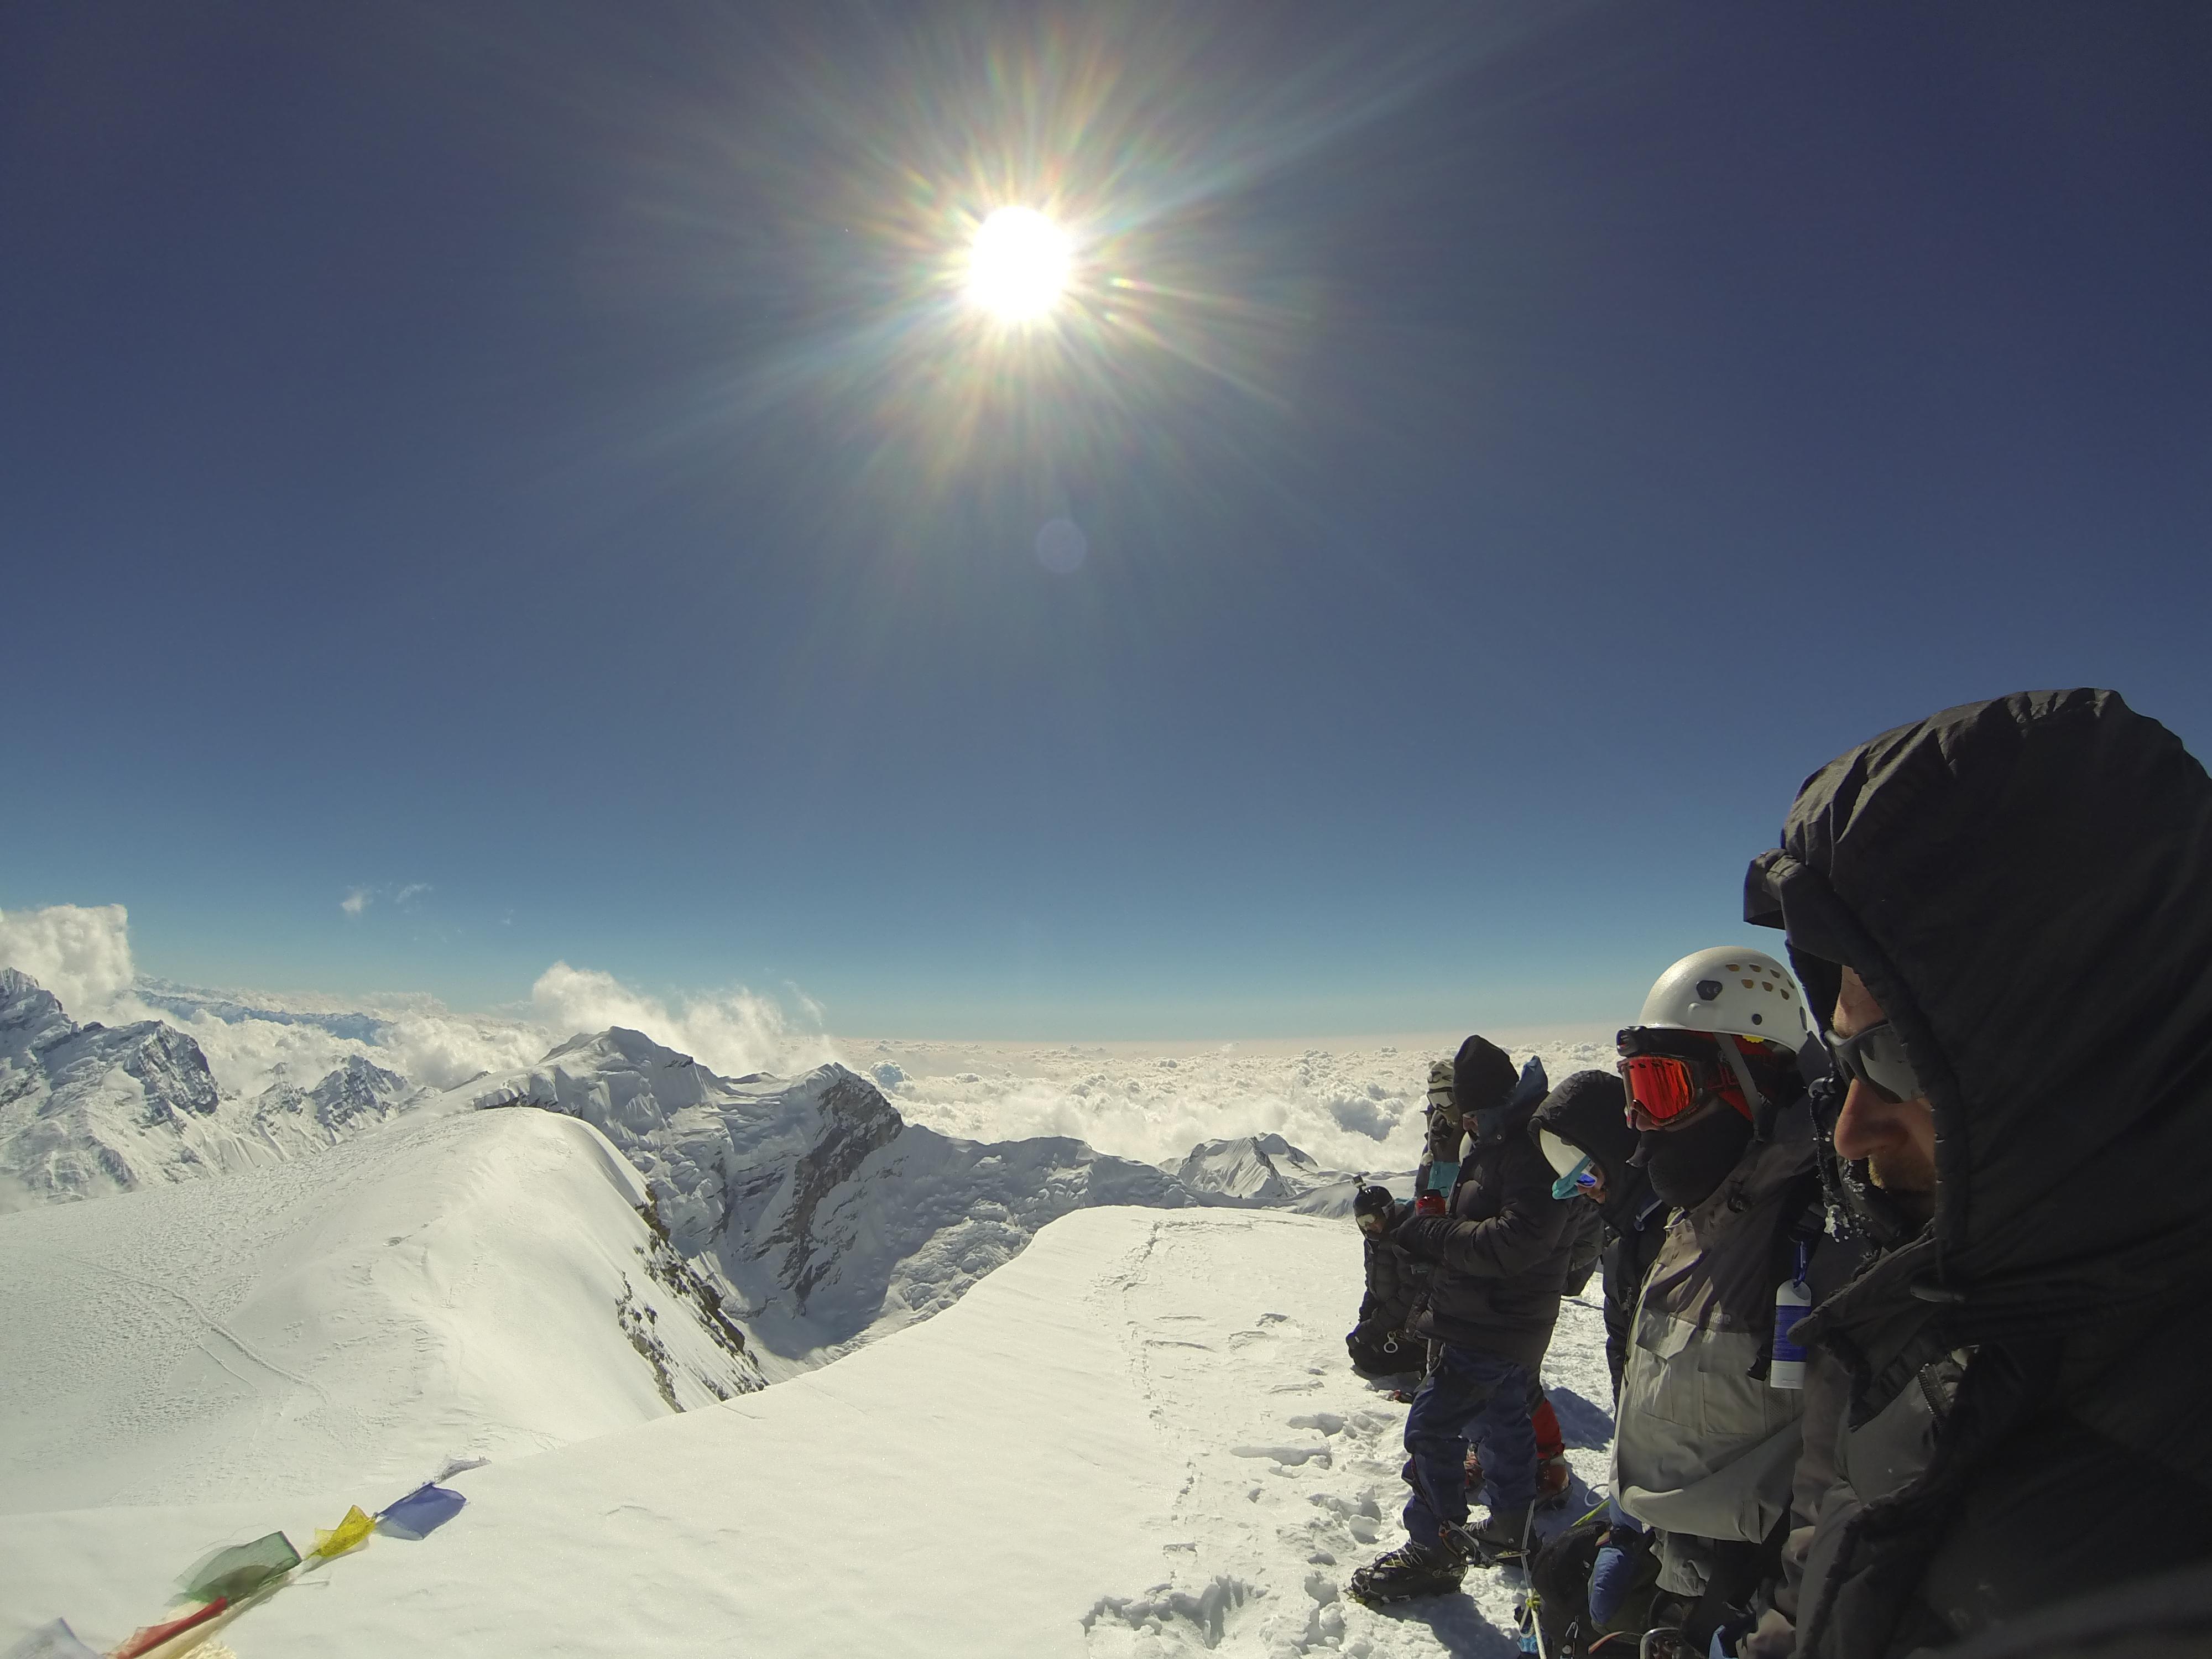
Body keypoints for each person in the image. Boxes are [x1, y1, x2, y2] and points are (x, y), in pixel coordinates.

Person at [1739, 688, 2212, 1656]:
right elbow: (1825, 1559)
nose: (1851, 1132)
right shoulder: (1927, 1317)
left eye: (1898, 1060)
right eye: (1843, 1063)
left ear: (2094, 1041)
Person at [1597, 946, 1828, 1655]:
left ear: (1753, 1083)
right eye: (1633, 1090)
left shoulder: (1824, 1233)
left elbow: (1856, 1480)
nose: (1639, 1123)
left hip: (1759, 1600)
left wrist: (1769, 1618)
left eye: (1662, 1090)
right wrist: (1625, 1520)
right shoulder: (1695, 1220)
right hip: (1678, 1570)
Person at [1347, 1035, 1571, 1605]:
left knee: (1430, 1428)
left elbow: (1512, 1242)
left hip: (1491, 1323)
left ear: (1492, 1103)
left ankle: (1435, 1552)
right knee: (1501, 1423)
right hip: (1497, 1320)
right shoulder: (1504, 1145)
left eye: (1469, 1112)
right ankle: (1510, 1532)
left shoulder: (1524, 1152)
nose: (1464, 1123)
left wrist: (1429, 1234)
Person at [1347, 1182, 1427, 1378]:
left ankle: (1423, 1358)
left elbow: (1408, 1296)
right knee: (1359, 1349)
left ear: (1387, 1212)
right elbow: (1373, 1285)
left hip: (1411, 1320)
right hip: (1390, 1316)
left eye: (1371, 1219)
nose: (1368, 1227)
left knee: (1367, 1357)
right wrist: (1364, 1321)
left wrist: (1371, 1328)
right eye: (1362, 1221)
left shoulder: (1404, 1240)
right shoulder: (1374, 1242)